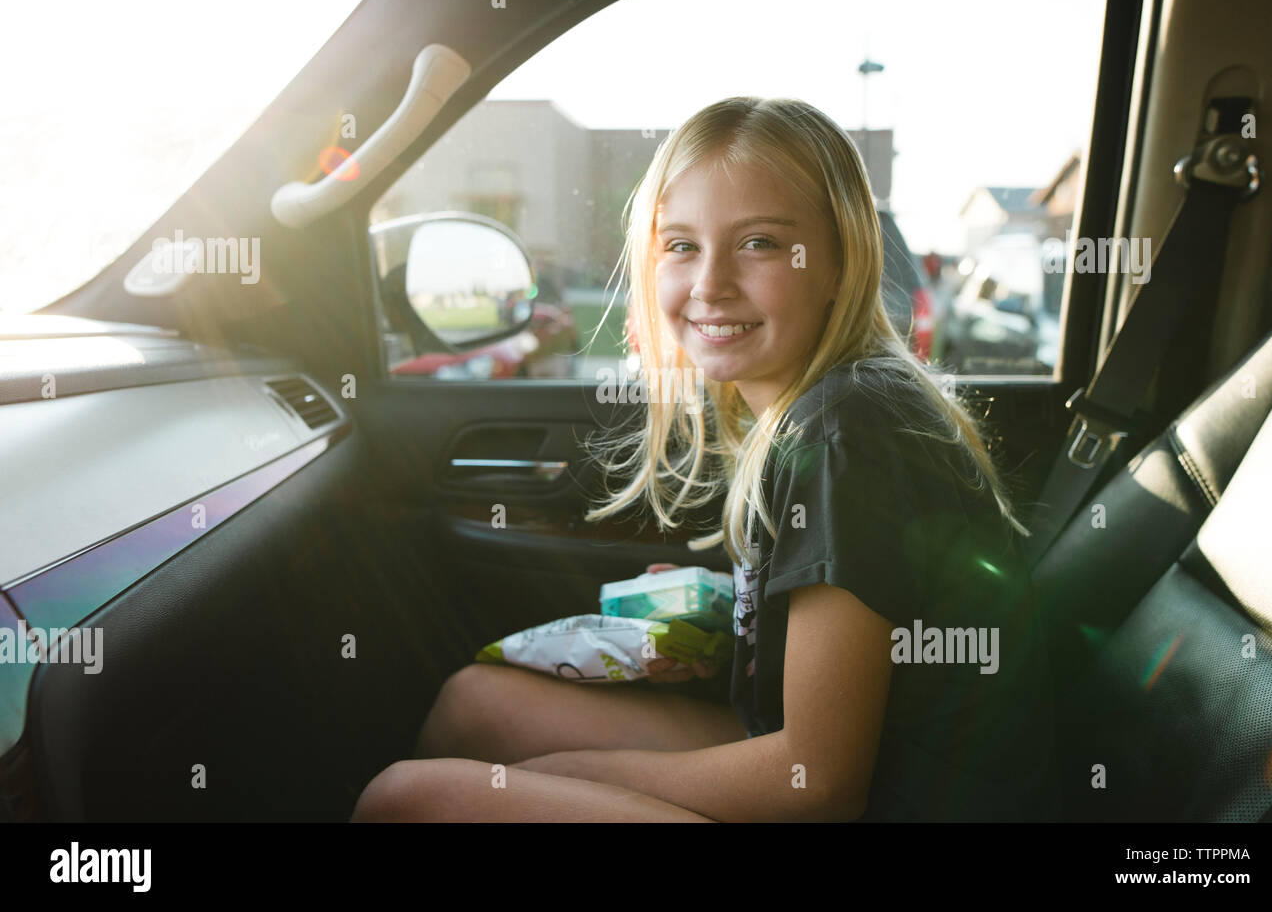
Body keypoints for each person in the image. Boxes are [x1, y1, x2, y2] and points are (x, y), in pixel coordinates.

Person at [351, 96, 1058, 822]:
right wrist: (734, 609)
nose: (710, 282)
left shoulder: (847, 431)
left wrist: (579, 774)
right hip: (832, 754)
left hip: (882, 798)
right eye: (682, 245)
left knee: (406, 801)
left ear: (840, 263)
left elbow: (817, 782)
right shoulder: (816, 408)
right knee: (475, 706)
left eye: (758, 243)